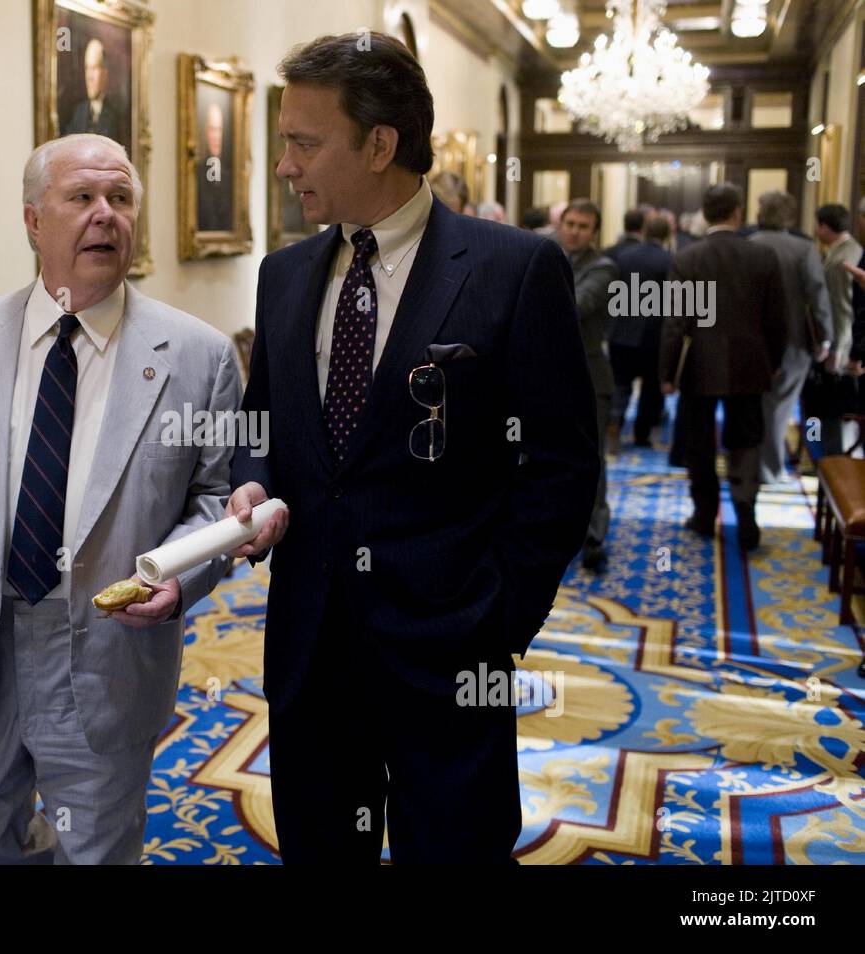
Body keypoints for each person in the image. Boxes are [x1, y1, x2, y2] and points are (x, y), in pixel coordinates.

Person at [227, 32, 599, 864]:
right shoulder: (284, 275)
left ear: (381, 144)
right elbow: (263, 424)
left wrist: (500, 618)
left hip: (452, 646)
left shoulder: (515, 268)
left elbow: (565, 465)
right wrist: (251, 484)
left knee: (455, 850)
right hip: (311, 645)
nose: (285, 165)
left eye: (303, 142)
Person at [0, 133, 241, 864]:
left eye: (121, 198)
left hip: (107, 644)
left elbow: (219, 498)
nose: (106, 215)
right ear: (33, 221)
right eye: (82, 198)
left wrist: (180, 576)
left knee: (98, 849)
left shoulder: (199, 357)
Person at [660, 183, 786, 551]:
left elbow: (674, 322)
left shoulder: (688, 257)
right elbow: (777, 320)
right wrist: (774, 362)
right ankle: (745, 506)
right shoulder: (762, 256)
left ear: (705, 212)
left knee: (699, 443)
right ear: (737, 212)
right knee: (746, 440)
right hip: (751, 364)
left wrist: (666, 373)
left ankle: (703, 515)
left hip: (700, 365)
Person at [748, 191, 831, 483]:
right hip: (793, 341)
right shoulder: (803, 249)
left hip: (750, 341)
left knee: (757, 405)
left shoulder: (748, 246)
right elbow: (818, 296)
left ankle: (755, 463)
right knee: (781, 406)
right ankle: (769, 469)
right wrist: (825, 338)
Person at [558, 199, 619, 571]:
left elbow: (575, 306)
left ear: (594, 232)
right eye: (570, 223)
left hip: (590, 379)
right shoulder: (543, 251)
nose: (575, 231)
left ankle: (595, 537)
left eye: (583, 226)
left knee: (591, 461)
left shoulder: (604, 267)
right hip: (546, 376)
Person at [609, 214, 672, 448]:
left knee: (620, 383)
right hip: (653, 336)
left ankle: (614, 422)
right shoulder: (669, 260)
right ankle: (642, 434)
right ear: (667, 235)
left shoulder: (623, 257)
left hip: (622, 332)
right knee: (651, 389)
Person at [809, 204, 862, 456]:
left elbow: (843, 310)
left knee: (829, 411)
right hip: (839, 342)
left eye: (817, 225)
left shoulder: (844, 257)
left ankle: (828, 459)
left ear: (825, 226)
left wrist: (836, 349)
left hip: (841, 345)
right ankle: (821, 453)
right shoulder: (841, 251)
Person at [63, 38, 126, 145]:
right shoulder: (78, 113)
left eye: (94, 68)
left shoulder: (117, 116)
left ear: (105, 73)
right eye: (87, 68)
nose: (89, 77)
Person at [197, 100, 233, 232]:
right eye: (212, 129)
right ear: (205, 132)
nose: (216, 136)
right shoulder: (197, 176)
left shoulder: (230, 177)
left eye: (219, 130)